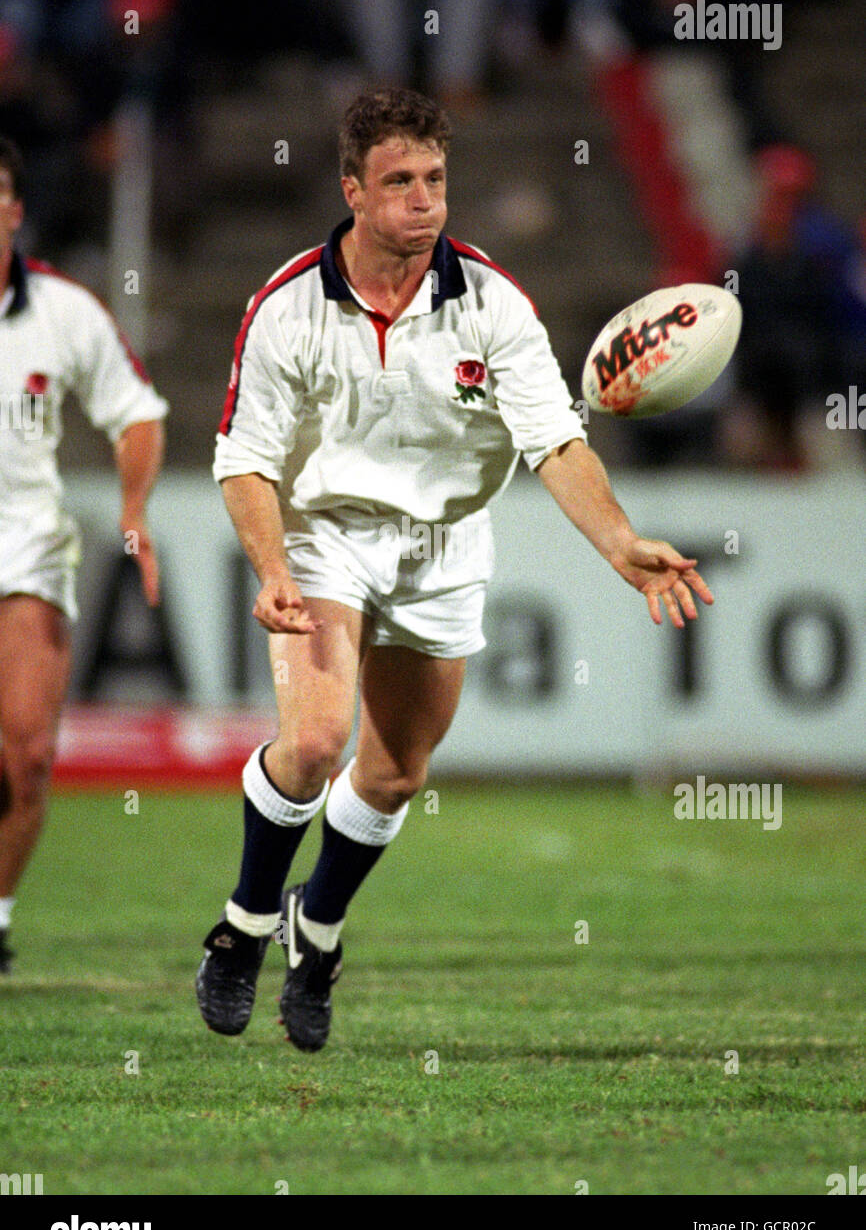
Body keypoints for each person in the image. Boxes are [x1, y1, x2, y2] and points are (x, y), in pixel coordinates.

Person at [197, 88, 713, 1051]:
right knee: (314, 744)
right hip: (325, 533)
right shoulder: (286, 307)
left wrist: (619, 543)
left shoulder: (492, 305)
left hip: (442, 547)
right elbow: (244, 459)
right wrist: (269, 564)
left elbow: (557, 444)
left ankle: (320, 931)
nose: (424, 200)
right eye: (399, 182)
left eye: (435, 179)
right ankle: (247, 926)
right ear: (352, 189)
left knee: (393, 776)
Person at [0, 136, 168, 973]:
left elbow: (135, 413)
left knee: (26, 756)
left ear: (15, 209)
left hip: (25, 543)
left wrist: (134, 508)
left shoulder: (63, 310)